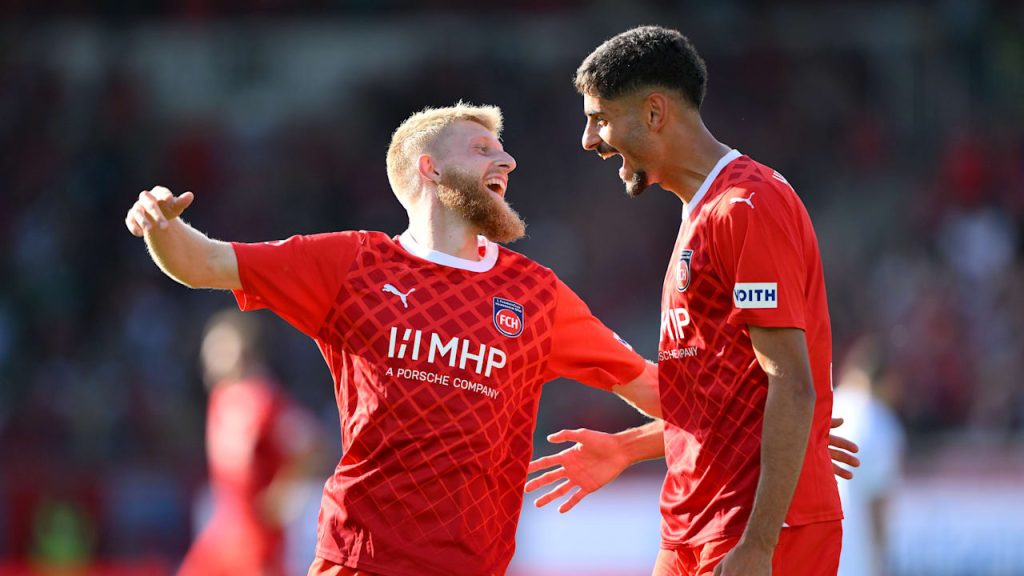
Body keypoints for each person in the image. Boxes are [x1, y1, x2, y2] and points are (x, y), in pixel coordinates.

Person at [126, 102, 856, 576]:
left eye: (505, 150)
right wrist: (161, 225)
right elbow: (204, 261)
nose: (505, 161)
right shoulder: (351, 262)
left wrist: (784, 429)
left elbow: (673, 394)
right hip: (359, 565)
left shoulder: (535, 295)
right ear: (429, 167)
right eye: (483, 148)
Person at [529, 26, 846, 576]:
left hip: (756, 529)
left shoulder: (747, 207)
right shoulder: (703, 212)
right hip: (693, 521)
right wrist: (627, 448)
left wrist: (760, 544)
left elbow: (791, 384)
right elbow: (720, 402)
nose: (589, 139)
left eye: (600, 118)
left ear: (655, 113)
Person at [178, 309, 322, 576]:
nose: (209, 358)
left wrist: (281, 493)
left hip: (257, 541)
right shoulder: (221, 399)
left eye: (218, 348)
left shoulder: (264, 400)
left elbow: (310, 445)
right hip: (223, 533)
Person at [832, 338, 904, 576]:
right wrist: (882, 563)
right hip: (857, 560)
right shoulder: (880, 422)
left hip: (816, 553)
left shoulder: (827, 406)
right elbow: (877, 503)